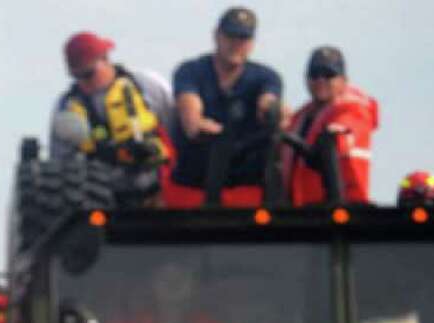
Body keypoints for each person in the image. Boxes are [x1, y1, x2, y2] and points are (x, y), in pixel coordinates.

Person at [165, 7, 283, 208]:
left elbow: (269, 100)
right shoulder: (191, 71)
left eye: (243, 39)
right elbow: (190, 112)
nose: (236, 44)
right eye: (231, 36)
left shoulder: (266, 77)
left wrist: (271, 111)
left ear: (252, 43)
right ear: (217, 36)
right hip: (192, 188)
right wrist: (197, 124)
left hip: (245, 190)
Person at [49, 32, 175, 204]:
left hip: (156, 193)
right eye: (77, 77)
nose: (83, 82)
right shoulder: (66, 109)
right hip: (100, 201)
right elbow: (60, 162)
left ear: (106, 59)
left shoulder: (148, 86)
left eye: (88, 74)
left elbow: (176, 130)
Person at [91, 257, 258, 323]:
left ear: (196, 286)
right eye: (164, 276)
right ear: (151, 283)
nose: (172, 282)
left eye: (181, 276)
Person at [281, 46, 379, 206]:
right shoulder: (299, 118)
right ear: (306, 78)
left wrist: (334, 135)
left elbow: (344, 134)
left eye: (329, 74)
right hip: (303, 211)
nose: (321, 80)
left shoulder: (354, 109)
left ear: (343, 80)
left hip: (346, 210)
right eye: (315, 74)